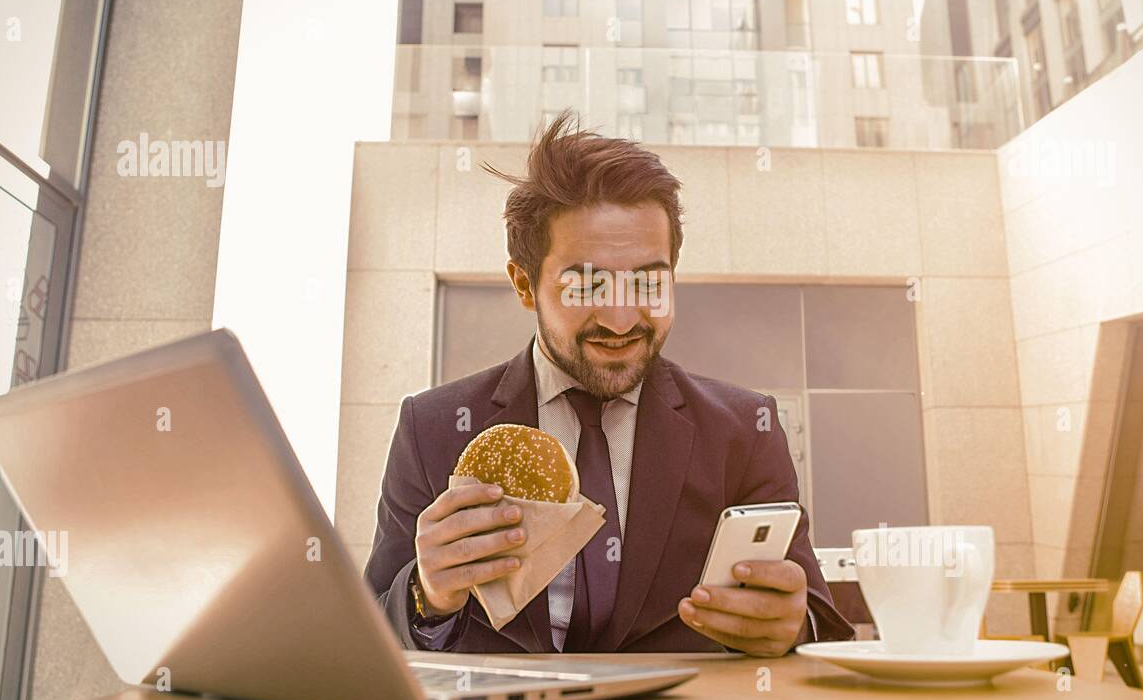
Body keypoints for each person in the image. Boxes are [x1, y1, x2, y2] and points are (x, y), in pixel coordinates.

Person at [363, 113, 853, 655]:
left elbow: (817, 619)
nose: (621, 319)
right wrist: (425, 596)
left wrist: (793, 627)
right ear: (524, 284)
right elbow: (364, 642)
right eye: (587, 284)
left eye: (648, 281)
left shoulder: (745, 430)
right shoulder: (430, 429)